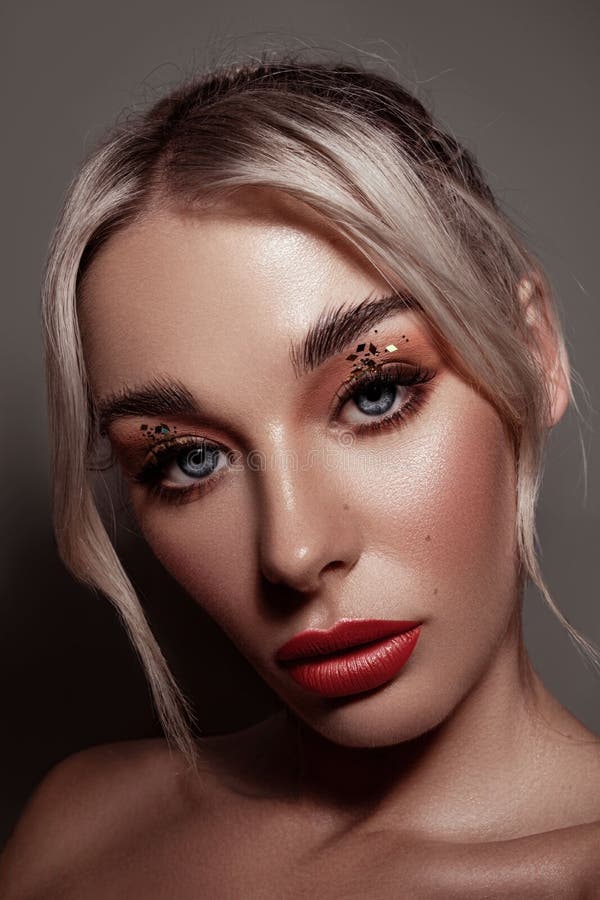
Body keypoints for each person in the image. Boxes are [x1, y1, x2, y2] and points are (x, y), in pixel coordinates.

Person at [1, 55, 599, 898]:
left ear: (534, 355)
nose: (293, 550)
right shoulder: (81, 825)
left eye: (375, 392)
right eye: (186, 458)